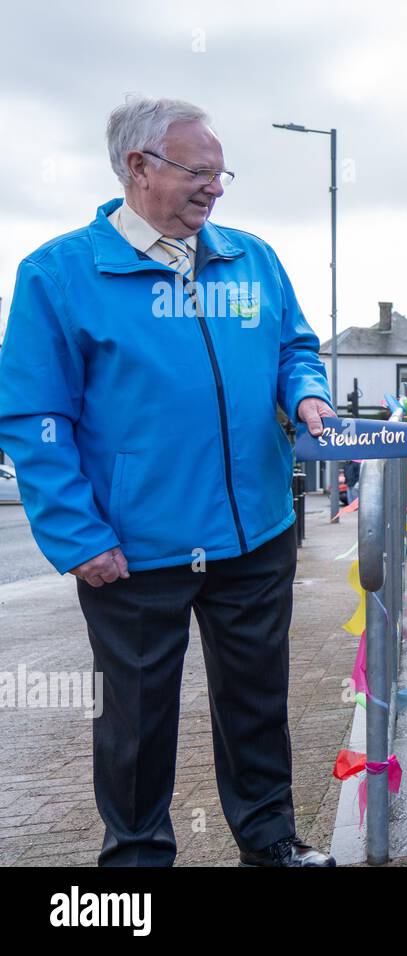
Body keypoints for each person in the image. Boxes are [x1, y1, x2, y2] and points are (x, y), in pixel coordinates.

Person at [0, 96, 338, 865]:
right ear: (138, 167)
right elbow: (33, 418)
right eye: (199, 172)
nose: (215, 189)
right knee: (138, 717)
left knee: (256, 703)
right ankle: (137, 860)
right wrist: (78, 536)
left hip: (256, 531)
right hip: (135, 548)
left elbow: (295, 346)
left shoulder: (250, 258)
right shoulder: (58, 275)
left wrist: (305, 392)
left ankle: (271, 841)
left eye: (221, 174)